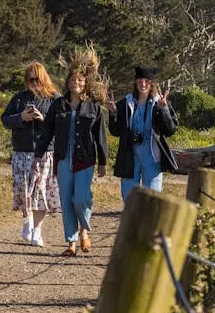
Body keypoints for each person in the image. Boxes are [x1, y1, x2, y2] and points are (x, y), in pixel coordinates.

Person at [34, 46, 108, 256]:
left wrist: (103, 162)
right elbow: (47, 131)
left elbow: (100, 136)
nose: (76, 83)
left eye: (80, 81)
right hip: (63, 159)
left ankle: (84, 231)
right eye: (73, 80)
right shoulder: (58, 105)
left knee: (81, 198)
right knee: (66, 201)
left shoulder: (93, 107)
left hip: (85, 159)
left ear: (86, 84)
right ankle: (71, 243)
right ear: (68, 83)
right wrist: (38, 155)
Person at [0, 62, 60, 247]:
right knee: (24, 191)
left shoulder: (54, 99)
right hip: (22, 151)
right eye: (30, 79)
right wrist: (21, 118)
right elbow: (5, 119)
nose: (34, 83)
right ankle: (27, 221)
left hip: (44, 152)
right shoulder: (19, 99)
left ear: (44, 79)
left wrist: (44, 120)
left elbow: (62, 125)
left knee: (41, 191)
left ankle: (38, 231)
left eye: (38, 79)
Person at [107, 65, 179, 202]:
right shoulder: (125, 103)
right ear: (135, 84)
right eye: (139, 81)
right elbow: (115, 131)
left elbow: (170, 130)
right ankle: (132, 223)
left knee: (152, 199)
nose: (143, 84)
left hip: (152, 158)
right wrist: (113, 113)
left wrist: (163, 110)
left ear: (152, 84)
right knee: (129, 198)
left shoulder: (160, 103)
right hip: (130, 157)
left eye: (146, 81)